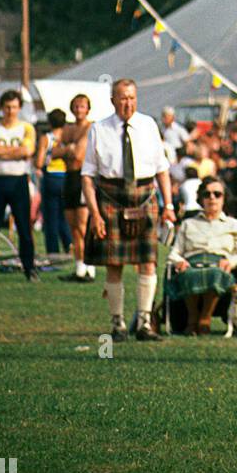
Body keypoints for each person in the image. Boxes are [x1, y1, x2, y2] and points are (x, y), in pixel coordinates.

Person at [81, 78, 175, 342]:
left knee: (148, 262)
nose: (128, 103)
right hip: (111, 197)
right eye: (123, 98)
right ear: (113, 100)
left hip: (145, 197)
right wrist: (95, 214)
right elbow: (87, 176)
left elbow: (162, 169)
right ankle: (118, 324)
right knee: (114, 263)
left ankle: (144, 323)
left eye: (132, 98)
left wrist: (168, 205)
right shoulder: (99, 129)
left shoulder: (148, 125)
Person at [166, 177, 237, 334]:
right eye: (207, 194)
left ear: (224, 198)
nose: (212, 198)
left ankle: (205, 319)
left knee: (215, 274)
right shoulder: (188, 224)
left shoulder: (235, 225)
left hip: (219, 265)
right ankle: (192, 319)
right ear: (201, 199)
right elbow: (174, 253)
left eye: (217, 194)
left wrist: (231, 262)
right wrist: (179, 261)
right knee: (187, 274)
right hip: (192, 263)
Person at [0, 90, 37, 282]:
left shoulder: (27, 128)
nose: (10, 111)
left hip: (19, 179)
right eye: (7, 107)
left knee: (24, 227)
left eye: (14, 107)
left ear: (19, 108)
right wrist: (15, 152)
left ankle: (29, 269)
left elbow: (28, 150)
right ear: (2, 108)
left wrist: (4, 152)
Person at [59, 93, 96, 281]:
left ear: (88, 109)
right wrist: (68, 149)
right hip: (69, 177)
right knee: (72, 224)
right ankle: (80, 265)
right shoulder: (68, 129)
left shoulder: (91, 128)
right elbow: (55, 151)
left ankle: (90, 265)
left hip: (83, 177)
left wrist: (68, 149)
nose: (79, 110)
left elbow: (79, 155)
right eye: (76, 106)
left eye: (82, 106)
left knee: (83, 225)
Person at [35, 110, 72, 260]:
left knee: (51, 218)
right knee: (65, 216)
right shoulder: (69, 137)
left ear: (49, 123)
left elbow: (39, 162)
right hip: (67, 177)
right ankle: (69, 244)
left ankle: (53, 251)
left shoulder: (47, 138)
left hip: (51, 178)